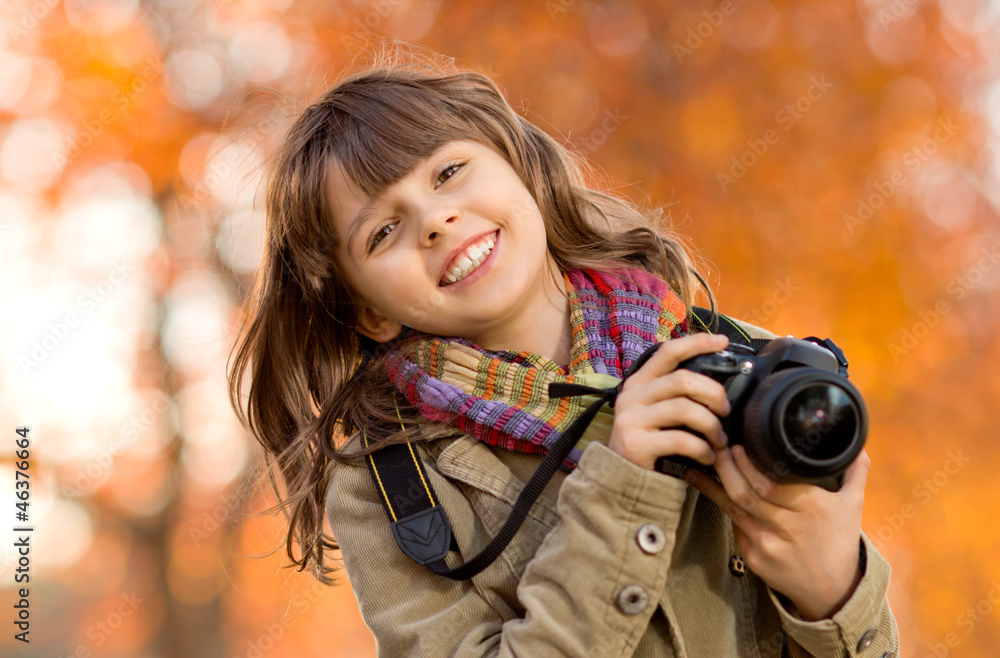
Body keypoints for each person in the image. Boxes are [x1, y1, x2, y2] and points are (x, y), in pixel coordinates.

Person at [228, 56, 899, 657]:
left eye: (450, 172)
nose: (435, 220)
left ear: (515, 161)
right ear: (370, 310)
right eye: (383, 231)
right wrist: (625, 479)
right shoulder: (392, 488)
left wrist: (834, 591)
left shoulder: (728, 349)